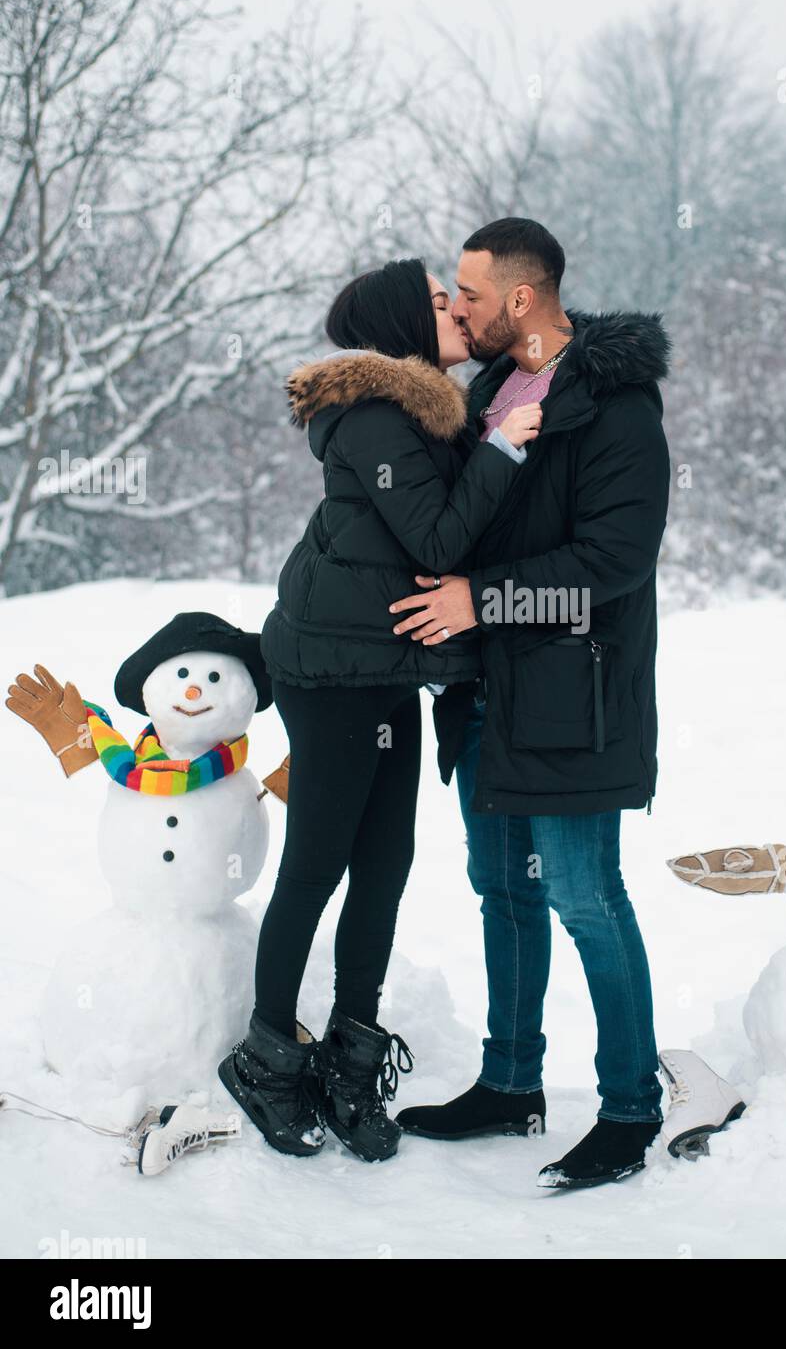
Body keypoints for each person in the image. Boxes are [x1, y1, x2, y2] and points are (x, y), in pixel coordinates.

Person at [219, 258, 542, 1162]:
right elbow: (438, 535)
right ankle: (268, 1056)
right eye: (441, 301)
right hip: (330, 675)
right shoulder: (370, 416)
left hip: (386, 671)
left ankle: (349, 1063)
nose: (457, 310)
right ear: (405, 319)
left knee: (385, 866)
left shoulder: (430, 412)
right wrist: (503, 447)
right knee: (317, 866)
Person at [389, 219, 673, 1189]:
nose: (456, 309)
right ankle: (510, 1082)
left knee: (584, 896)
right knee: (501, 889)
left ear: (519, 298)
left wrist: (481, 598)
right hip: (485, 697)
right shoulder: (484, 399)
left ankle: (631, 1107)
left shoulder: (613, 408)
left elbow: (613, 564)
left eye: (467, 292)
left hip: (573, 702)